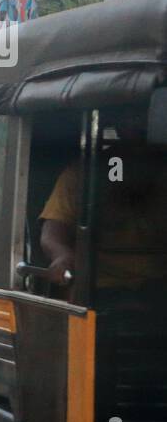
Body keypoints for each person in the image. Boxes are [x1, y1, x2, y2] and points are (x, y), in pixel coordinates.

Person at [39, 106, 167, 294]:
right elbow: (52, 232)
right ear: (118, 127)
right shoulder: (83, 174)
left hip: (159, 285)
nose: (139, 127)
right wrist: (62, 256)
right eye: (130, 120)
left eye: (145, 120)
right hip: (100, 289)